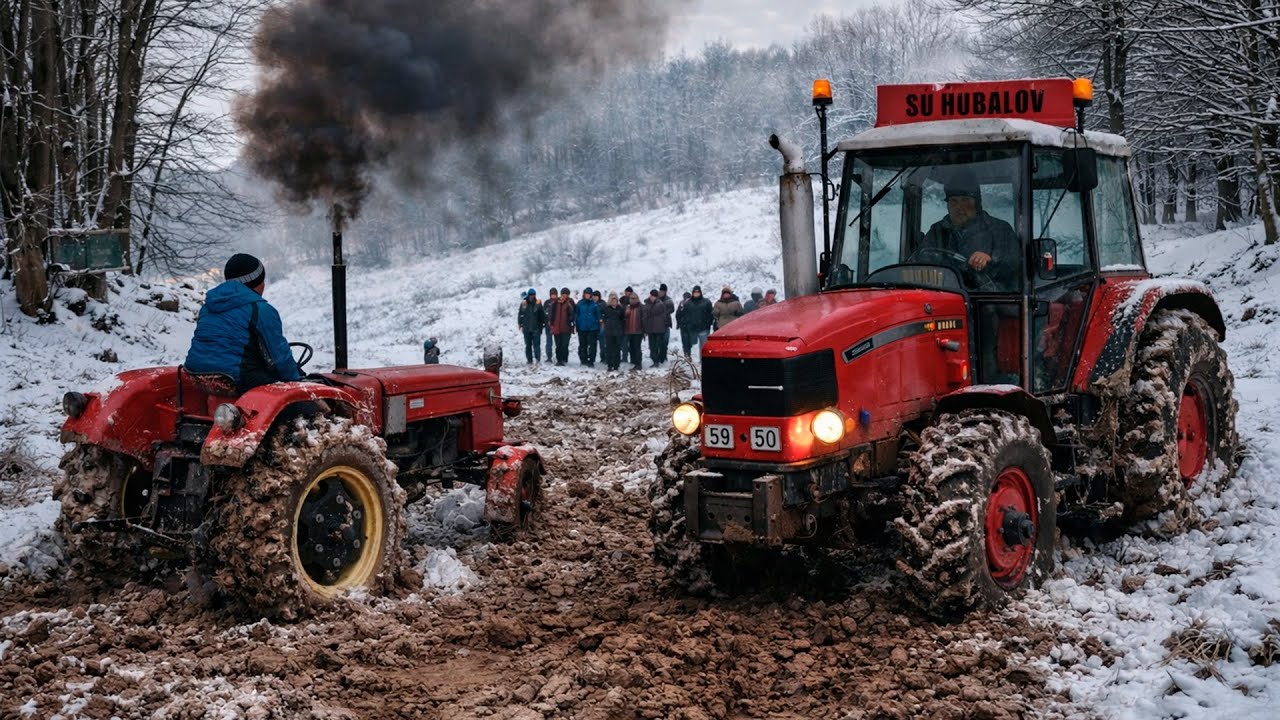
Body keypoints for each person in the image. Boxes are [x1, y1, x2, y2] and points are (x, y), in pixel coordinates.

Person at [185, 253, 301, 392]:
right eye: (262, 280)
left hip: (197, 376)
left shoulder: (208, 306)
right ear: (256, 282)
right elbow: (280, 359)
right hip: (234, 381)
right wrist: (298, 383)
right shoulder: (260, 310)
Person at [919, 170, 1020, 290]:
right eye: (953, 201)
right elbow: (918, 263)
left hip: (991, 298)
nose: (959, 207)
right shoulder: (937, 232)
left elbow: (1015, 265)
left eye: (965, 200)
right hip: (945, 295)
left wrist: (991, 261)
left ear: (977, 203)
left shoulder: (1000, 229)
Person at [684, 285, 714, 357]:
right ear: (692, 293)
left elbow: (711, 314)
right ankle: (691, 360)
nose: (696, 293)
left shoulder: (706, 302)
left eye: (698, 292)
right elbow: (685, 314)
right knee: (691, 347)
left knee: (704, 347)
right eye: (695, 292)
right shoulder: (688, 303)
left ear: (700, 293)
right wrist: (687, 324)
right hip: (692, 329)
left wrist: (708, 323)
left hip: (703, 328)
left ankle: (702, 361)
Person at [517, 288, 546, 364]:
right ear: (528, 295)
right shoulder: (524, 304)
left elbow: (542, 315)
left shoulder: (538, 304)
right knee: (528, 345)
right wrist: (520, 324)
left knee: (537, 345)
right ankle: (529, 360)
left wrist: (543, 324)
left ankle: (537, 359)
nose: (532, 296)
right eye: (530, 295)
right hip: (526, 329)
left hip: (536, 328)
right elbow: (520, 314)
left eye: (533, 295)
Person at [575, 285, 601, 367]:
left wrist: (597, 325)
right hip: (582, 327)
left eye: (589, 294)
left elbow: (598, 316)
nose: (587, 295)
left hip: (593, 328)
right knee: (583, 345)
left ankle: (591, 361)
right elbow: (576, 314)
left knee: (592, 346)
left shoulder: (594, 304)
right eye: (586, 293)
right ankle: (583, 360)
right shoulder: (580, 303)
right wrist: (577, 324)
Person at [549, 286, 575, 365]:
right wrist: (551, 324)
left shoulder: (570, 302)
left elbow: (573, 313)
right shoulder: (555, 303)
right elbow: (551, 314)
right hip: (557, 327)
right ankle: (559, 360)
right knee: (558, 345)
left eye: (566, 294)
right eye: (563, 294)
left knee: (565, 345)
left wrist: (571, 321)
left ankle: (564, 358)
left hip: (566, 327)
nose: (564, 296)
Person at [642, 289, 668, 367]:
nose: (652, 297)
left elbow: (653, 311)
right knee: (652, 346)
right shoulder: (647, 304)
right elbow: (645, 316)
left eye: (654, 296)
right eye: (651, 296)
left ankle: (661, 359)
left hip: (659, 329)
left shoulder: (660, 304)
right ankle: (655, 361)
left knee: (659, 345)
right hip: (650, 329)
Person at [601, 292, 625, 371]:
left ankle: (616, 365)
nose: (614, 302)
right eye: (612, 300)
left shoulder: (620, 309)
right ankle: (609, 364)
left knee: (617, 349)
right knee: (609, 349)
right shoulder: (606, 309)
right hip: (609, 331)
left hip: (618, 332)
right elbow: (603, 318)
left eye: (615, 300)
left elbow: (623, 319)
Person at [622, 288, 645, 370]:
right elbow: (623, 317)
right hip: (628, 330)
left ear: (637, 299)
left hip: (638, 331)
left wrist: (644, 330)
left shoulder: (641, 307)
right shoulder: (627, 307)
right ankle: (633, 362)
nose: (632, 300)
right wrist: (626, 313)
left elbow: (644, 319)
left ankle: (638, 363)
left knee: (637, 348)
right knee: (631, 348)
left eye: (634, 298)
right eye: (631, 298)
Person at [656, 283, 675, 364]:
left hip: (666, 323)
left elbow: (672, 309)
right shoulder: (656, 299)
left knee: (665, 341)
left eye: (663, 291)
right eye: (661, 291)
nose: (662, 292)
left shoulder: (668, 300)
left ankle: (664, 357)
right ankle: (658, 358)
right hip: (657, 324)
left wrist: (663, 311)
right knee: (658, 342)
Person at [675, 291, 693, 358]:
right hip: (685, 325)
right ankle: (687, 354)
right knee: (686, 341)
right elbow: (678, 314)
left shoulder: (685, 304)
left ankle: (687, 353)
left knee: (687, 341)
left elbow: (677, 314)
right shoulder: (682, 304)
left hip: (687, 325)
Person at [542, 288, 558, 359]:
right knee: (549, 342)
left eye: (554, 294)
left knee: (558, 342)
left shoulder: (559, 302)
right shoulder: (547, 303)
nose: (553, 296)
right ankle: (549, 357)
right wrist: (544, 322)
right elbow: (543, 313)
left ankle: (559, 357)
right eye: (552, 294)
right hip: (548, 325)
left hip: (557, 325)